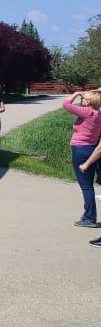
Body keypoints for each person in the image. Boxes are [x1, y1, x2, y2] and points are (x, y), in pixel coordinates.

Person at [63, 89, 101, 228]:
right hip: (90, 148)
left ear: (90, 101)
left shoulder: (88, 112)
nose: (82, 99)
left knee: (86, 187)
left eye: (84, 98)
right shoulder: (98, 114)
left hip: (81, 150)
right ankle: (89, 216)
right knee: (88, 186)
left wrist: (76, 93)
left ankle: (90, 217)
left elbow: (66, 104)